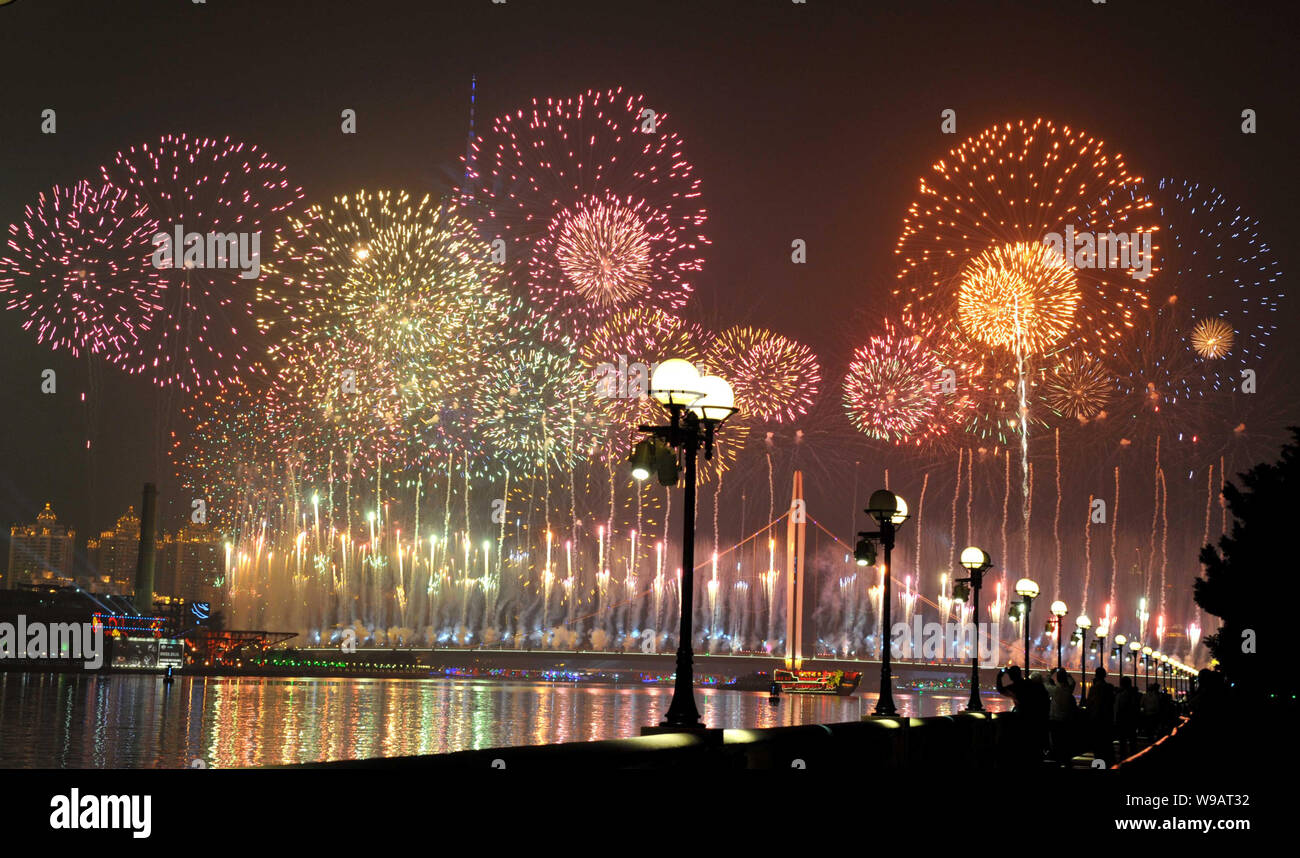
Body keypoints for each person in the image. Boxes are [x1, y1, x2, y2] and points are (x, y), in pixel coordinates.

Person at [996, 665, 1050, 762]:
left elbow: (1000, 689)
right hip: (1035, 720)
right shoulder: (1030, 684)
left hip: (1022, 719)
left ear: (1011, 676)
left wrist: (999, 677)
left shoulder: (1014, 687)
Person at [1045, 668, 1077, 766]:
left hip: (1054, 720)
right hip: (1066, 720)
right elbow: (1073, 682)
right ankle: (1066, 761)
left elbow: (1045, 683)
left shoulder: (1055, 690)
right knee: (1065, 742)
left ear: (1057, 680)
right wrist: (1067, 675)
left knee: (1055, 743)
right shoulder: (1069, 690)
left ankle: (1058, 761)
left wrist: (1051, 672)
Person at [1085, 667, 1116, 766]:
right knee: (1107, 744)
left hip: (1096, 720)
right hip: (1107, 719)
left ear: (1096, 675)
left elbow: (1089, 703)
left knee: (1097, 746)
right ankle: (1109, 764)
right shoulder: (1109, 687)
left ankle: (1098, 765)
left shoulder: (1094, 688)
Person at [1113, 675, 1140, 758]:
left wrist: (1115, 720)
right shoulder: (1134, 695)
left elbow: (1117, 708)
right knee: (1132, 740)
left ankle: (1123, 756)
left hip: (1122, 719)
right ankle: (1133, 756)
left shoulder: (1120, 695)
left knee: (1123, 740)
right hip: (1131, 719)